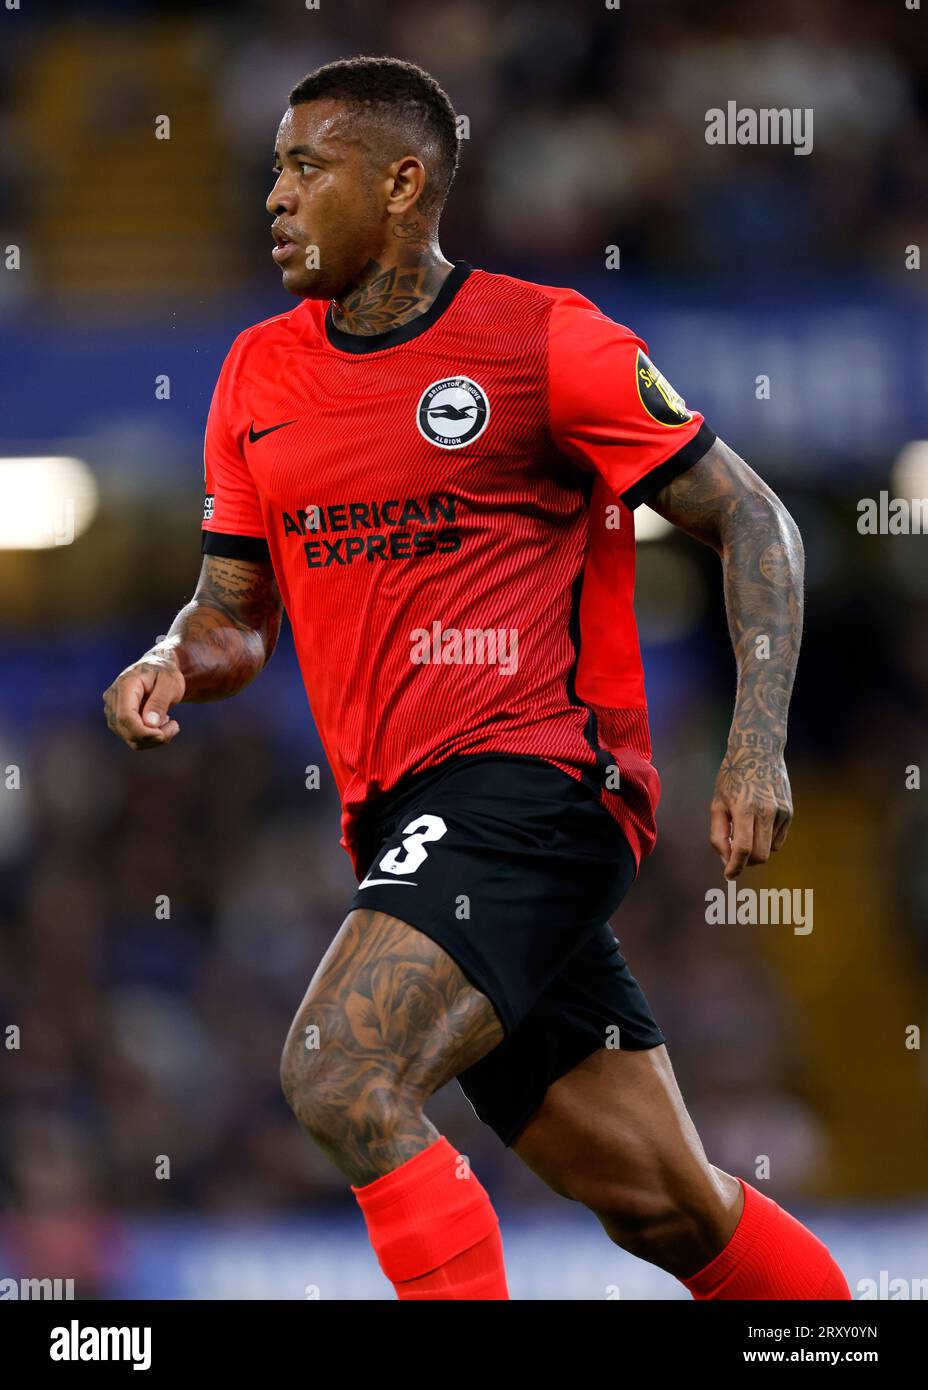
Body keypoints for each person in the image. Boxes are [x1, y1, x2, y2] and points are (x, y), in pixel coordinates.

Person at [103, 55, 849, 1301]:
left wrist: (754, 736)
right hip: (404, 825)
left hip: (542, 783)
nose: (273, 196)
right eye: (272, 168)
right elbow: (233, 618)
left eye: (305, 166)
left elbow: (756, 519)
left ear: (403, 184)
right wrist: (168, 659)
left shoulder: (542, 339)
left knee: (342, 1072)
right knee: (662, 1200)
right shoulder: (254, 375)